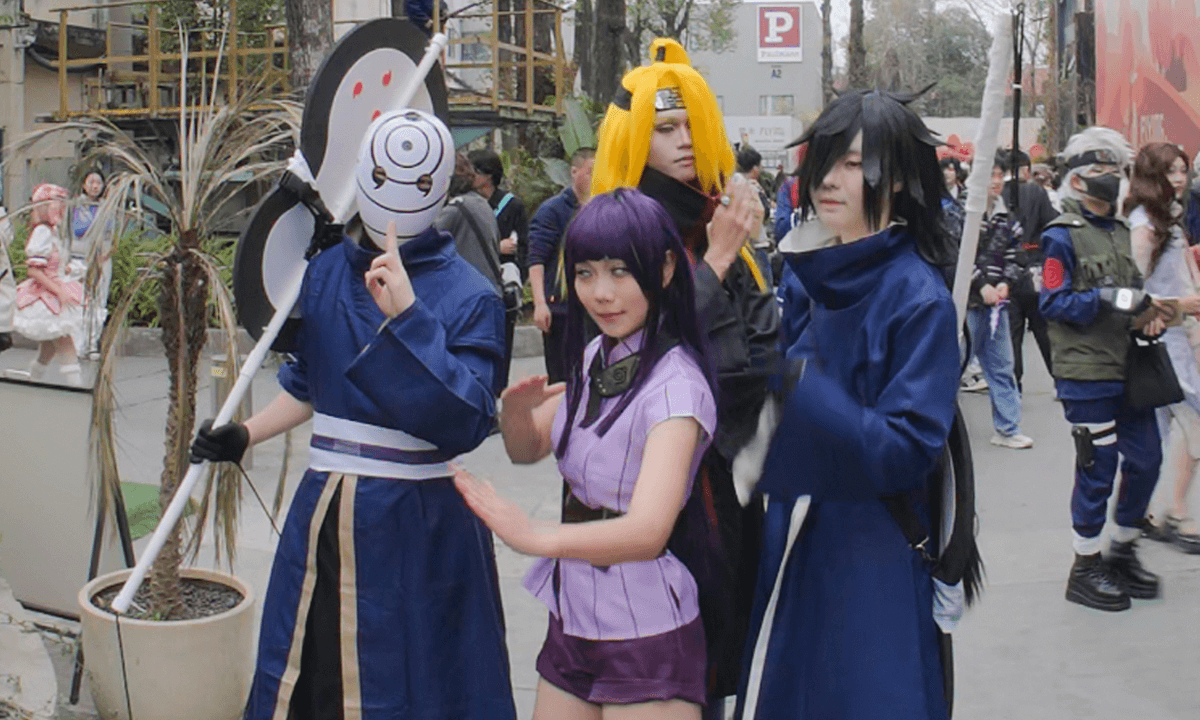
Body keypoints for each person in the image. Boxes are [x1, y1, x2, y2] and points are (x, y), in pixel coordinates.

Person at [190, 110, 515, 720]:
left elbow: (469, 419)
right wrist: (242, 434)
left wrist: (409, 318)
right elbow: (311, 385)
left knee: (422, 682)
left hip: (421, 519)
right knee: (308, 682)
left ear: (442, 184)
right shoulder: (325, 269)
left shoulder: (471, 293)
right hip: (326, 509)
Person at [736, 88, 962, 720]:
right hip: (795, 536)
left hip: (872, 550)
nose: (829, 179)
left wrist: (801, 395)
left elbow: (908, 449)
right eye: (825, 159)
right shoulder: (812, 273)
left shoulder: (919, 298)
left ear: (897, 179)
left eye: (855, 163)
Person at [456, 188, 717, 720]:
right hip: (574, 611)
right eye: (585, 273)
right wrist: (514, 411)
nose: (601, 293)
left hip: (646, 625)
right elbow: (526, 448)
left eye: (621, 271)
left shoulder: (677, 389)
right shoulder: (598, 353)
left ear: (665, 269)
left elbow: (647, 531)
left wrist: (529, 536)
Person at [590, 38, 778, 720]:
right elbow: (635, 368)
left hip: (734, 485)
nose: (683, 141)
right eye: (664, 127)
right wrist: (719, 260)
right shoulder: (613, 234)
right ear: (634, 135)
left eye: (690, 123)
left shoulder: (716, 220)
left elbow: (761, 353)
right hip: (656, 506)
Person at [1039, 127, 1167, 611]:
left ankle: (1122, 548)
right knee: (1099, 467)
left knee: (1147, 457)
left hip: (1128, 366)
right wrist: (1107, 299)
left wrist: (1148, 314)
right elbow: (1053, 301)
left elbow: (1135, 292)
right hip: (1085, 371)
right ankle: (1085, 563)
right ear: (1075, 180)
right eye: (1099, 171)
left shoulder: (1117, 233)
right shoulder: (1060, 238)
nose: (1110, 179)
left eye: (1115, 171)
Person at [1124, 143, 1200, 554]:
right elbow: (1132, 291)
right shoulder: (1143, 222)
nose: (1179, 178)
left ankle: (1158, 513)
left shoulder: (1167, 215)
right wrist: (1179, 307)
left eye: (1183, 170)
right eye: (1170, 170)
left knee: (1162, 434)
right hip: (1158, 343)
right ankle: (1168, 513)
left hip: (1179, 339)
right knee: (1170, 430)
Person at [966, 154, 1034, 449]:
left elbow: (1017, 255)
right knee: (951, 367)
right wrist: (981, 286)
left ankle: (1007, 428)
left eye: (999, 175)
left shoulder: (1007, 217)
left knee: (1002, 366)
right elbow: (956, 255)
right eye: (990, 174)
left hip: (997, 305)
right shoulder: (962, 212)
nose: (996, 181)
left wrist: (1006, 282)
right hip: (966, 304)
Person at [528, 147, 595, 384]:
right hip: (561, 307)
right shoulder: (553, 210)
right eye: (590, 171)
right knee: (562, 377)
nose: (595, 177)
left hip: (592, 305)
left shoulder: (602, 207)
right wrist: (540, 303)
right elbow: (536, 259)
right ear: (574, 172)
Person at [999, 149, 1059, 391]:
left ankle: (1015, 384)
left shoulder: (997, 195)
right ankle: (1060, 381)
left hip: (1005, 270)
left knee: (1012, 332)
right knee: (1043, 329)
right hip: (1034, 266)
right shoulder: (1036, 191)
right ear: (1025, 169)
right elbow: (1052, 222)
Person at [470, 148, 529, 390]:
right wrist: (497, 246)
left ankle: (498, 393)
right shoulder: (464, 204)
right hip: (474, 284)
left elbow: (524, 246)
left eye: (473, 171)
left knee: (502, 344)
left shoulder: (511, 206)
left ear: (488, 175)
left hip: (502, 287)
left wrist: (519, 281)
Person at [13, 183, 83, 385]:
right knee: (65, 343)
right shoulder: (42, 232)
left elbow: (52, 264)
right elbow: (34, 270)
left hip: (55, 289)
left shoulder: (51, 231)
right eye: (56, 204)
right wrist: (59, 292)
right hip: (48, 294)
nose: (60, 208)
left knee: (49, 347)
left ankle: (33, 383)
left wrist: (68, 270)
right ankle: (77, 391)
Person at [68, 170, 112, 357]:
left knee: (98, 302)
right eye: (91, 181)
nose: (95, 186)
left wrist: (106, 254)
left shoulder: (107, 207)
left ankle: (93, 343)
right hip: (79, 259)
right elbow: (70, 233)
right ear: (84, 184)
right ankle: (77, 344)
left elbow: (112, 235)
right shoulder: (75, 206)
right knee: (78, 302)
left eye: (99, 182)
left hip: (101, 259)